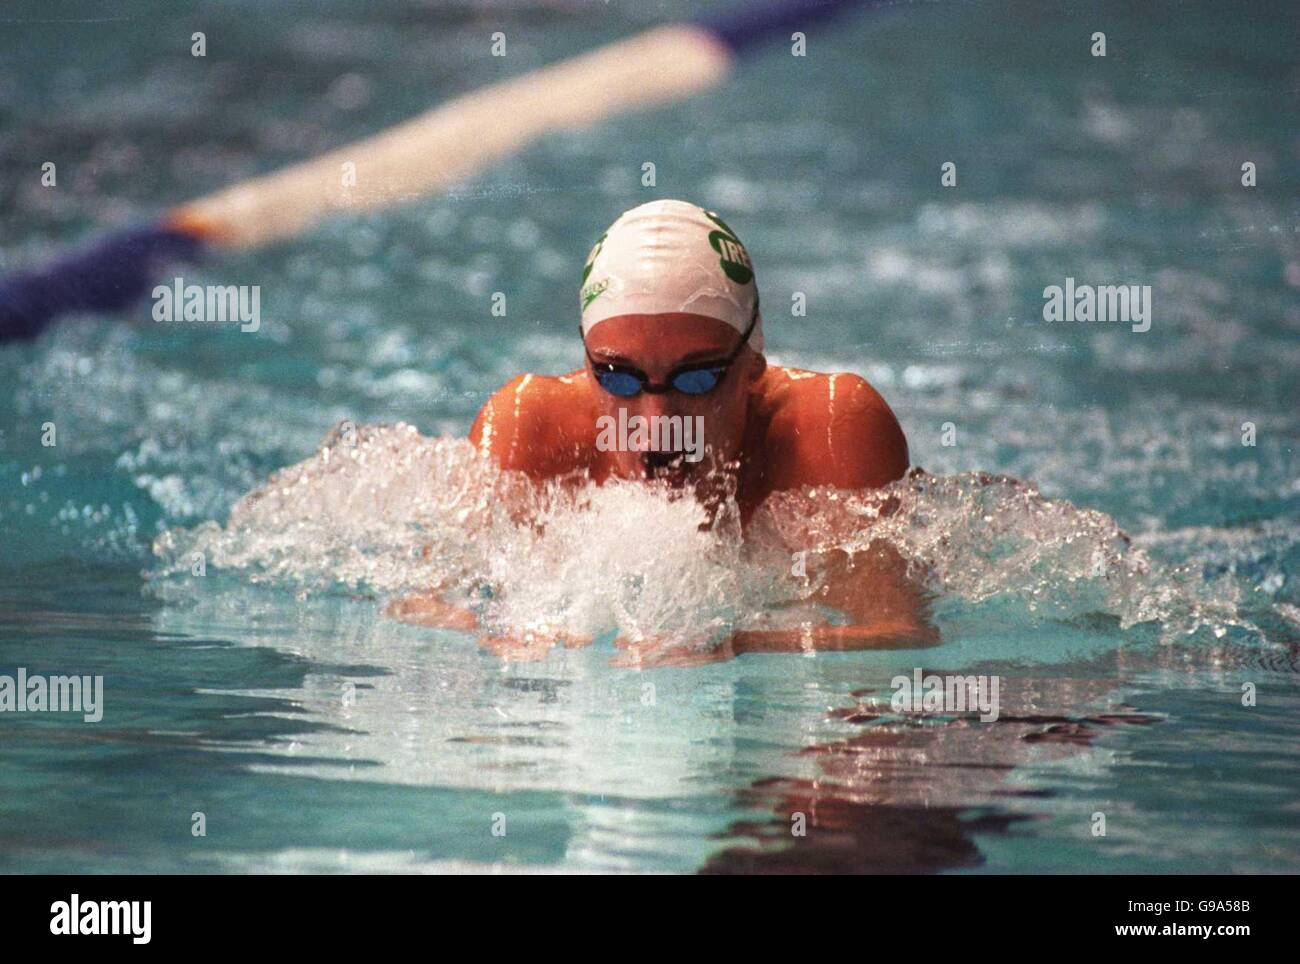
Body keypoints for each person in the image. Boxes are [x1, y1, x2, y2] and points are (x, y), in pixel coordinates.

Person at [393, 199, 936, 657]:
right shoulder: (529, 428)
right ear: (585, 366)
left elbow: (894, 637)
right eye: (619, 378)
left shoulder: (832, 427)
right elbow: (426, 609)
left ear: (753, 363)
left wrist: (730, 645)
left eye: (696, 379)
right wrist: (524, 640)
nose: (656, 431)